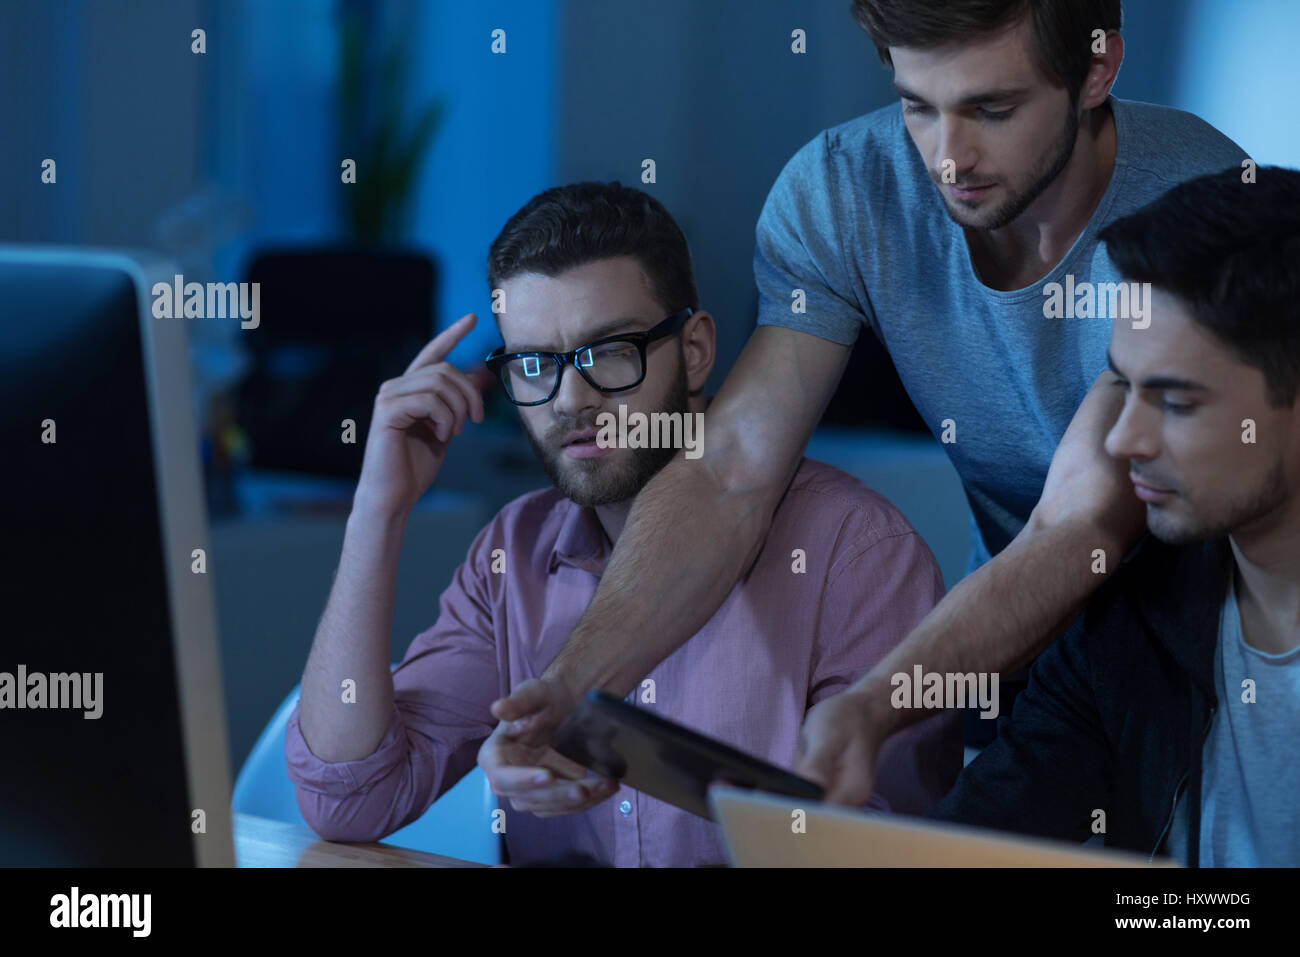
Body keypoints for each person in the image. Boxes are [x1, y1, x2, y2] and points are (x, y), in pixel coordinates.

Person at [489, 0, 1248, 806]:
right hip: (1018, 634)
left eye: (992, 109)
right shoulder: (842, 192)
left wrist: (871, 705)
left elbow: (1082, 521)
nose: (949, 158)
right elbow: (729, 471)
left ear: (1097, 70)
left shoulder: (1196, 202)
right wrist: (571, 686)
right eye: (918, 106)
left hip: (1214, 630)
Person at [286, 182, 961, 866]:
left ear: (695, 351)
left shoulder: (856, 551)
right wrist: (378, 508)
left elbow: (882, 851)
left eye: (608, 351)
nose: (572, 400)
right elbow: (350, 798)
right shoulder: (512, 554)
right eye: (533, 364)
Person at [926, 166, 1300, 865]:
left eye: (1178, 401)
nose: (1123, 438)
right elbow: (976, 838)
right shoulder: (1134, 621)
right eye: (1123, 385)